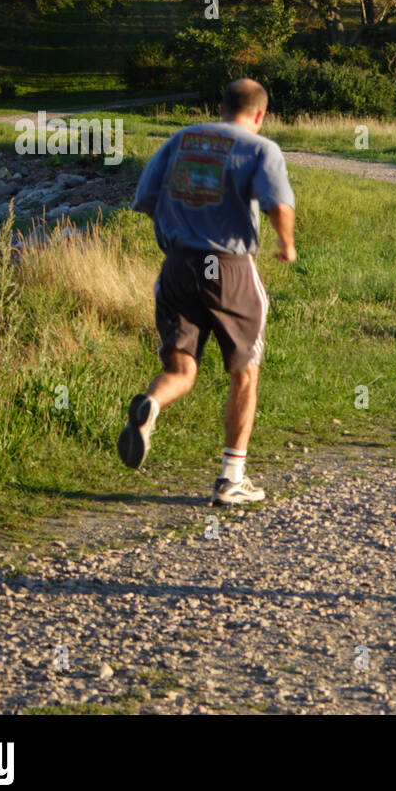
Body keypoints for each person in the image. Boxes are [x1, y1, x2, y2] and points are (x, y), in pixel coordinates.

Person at [119, 78, 297, 506]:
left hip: (177, 265)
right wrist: (286, 244)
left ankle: (151, 405)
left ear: (221, 108)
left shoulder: (181, 139)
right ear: (259, 114)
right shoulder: (261, 148)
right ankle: (231, 478)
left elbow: (145, 197)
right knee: (245, 371)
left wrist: (181, 231)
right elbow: (279, 204)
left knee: (182, 371)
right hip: (229, 267)